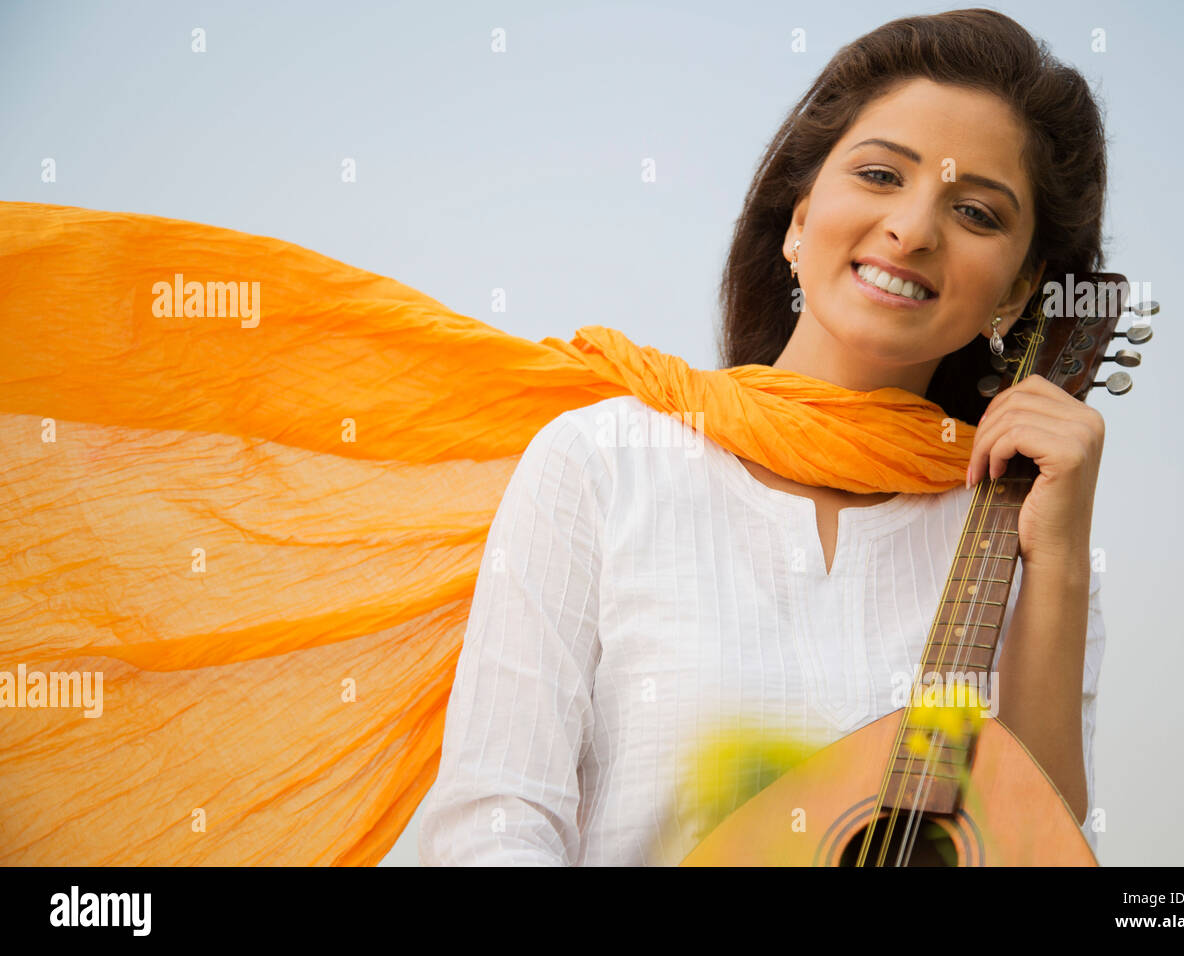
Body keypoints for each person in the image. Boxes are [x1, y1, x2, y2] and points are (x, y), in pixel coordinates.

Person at [419, 8, 1109, 866]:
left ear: (1020, 288)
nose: (914, 229)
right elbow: (495, 825)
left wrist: (1061, 561)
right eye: (880, 174)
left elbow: (1037, 850)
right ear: (798, 213)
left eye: (975, 211)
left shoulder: (1017, 541)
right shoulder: (602, 465)